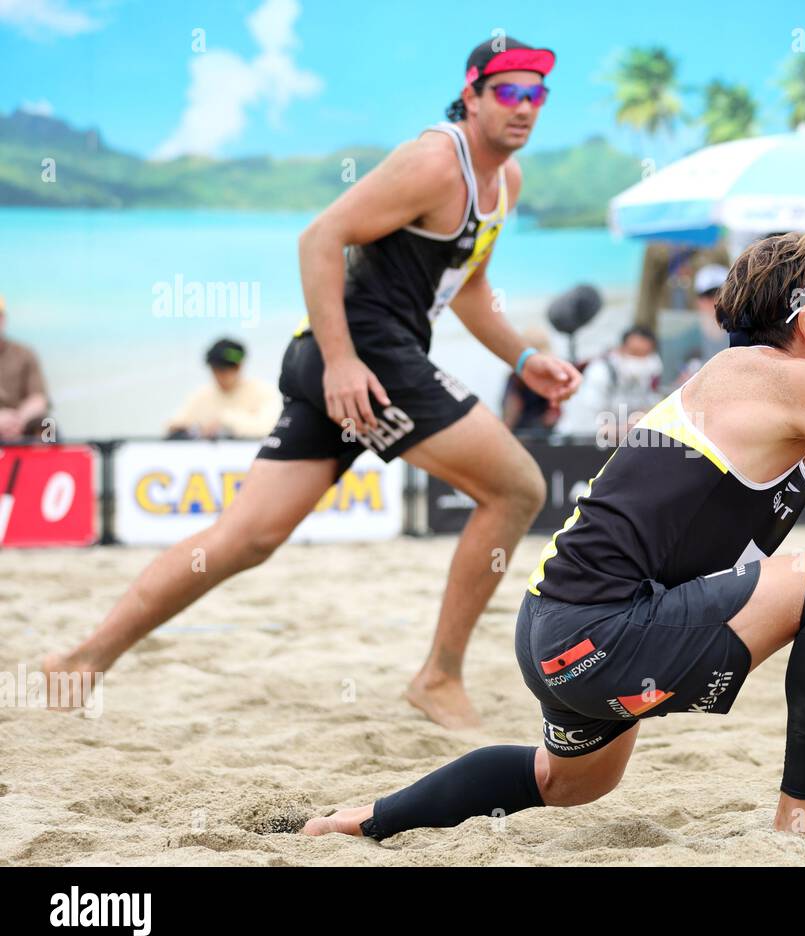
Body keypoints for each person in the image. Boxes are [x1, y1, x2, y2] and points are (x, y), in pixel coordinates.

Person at [305, 230, 805, 842]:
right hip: (599, 633)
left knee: (564, 784)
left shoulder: (768, 407)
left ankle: (362, 824)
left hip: (555, 635)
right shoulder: (782, 384)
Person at [43, 36, 581, 728]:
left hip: (361, 363)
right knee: (518, 487)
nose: (525, 107)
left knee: (243, 539)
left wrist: (523, 356)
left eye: (537, 95)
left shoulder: (505, 182)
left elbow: (469, 283)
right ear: (471, 95)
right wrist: (342, 362)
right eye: (508, 91)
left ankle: (81, 663)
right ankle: (438, 676)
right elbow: (319, 238)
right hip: (365, 360)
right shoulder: (432, 162)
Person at [553, 327, 663, 443]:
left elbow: (651, 406)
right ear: (621, 349)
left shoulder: (648, 376)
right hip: (580, 441)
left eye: (645, 354)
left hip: (621, 443)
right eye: (635, 353)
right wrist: (619, 430)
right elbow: (584, 419)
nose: (640, 360)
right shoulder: (600, 371)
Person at [165, 338, 282, 439]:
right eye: (215, 369)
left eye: (224, 369)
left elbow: (269, 429)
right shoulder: (201, 395)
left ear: (239, 366)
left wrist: (226, 422)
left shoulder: (263, 392)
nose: (219, 376)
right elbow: (174, 426)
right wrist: (196, 430)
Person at [0, 295, 51, 440]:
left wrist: (18, 419)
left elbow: (39, 398)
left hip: (20, 421)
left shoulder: (24, 353)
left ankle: (48, 462)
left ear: (3, 319)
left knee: (49, 425)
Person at [501, 326, 560, 437]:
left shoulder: (515, 378)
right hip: (523, 433)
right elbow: (510, 415)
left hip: (541, 433)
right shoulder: (516, 380)